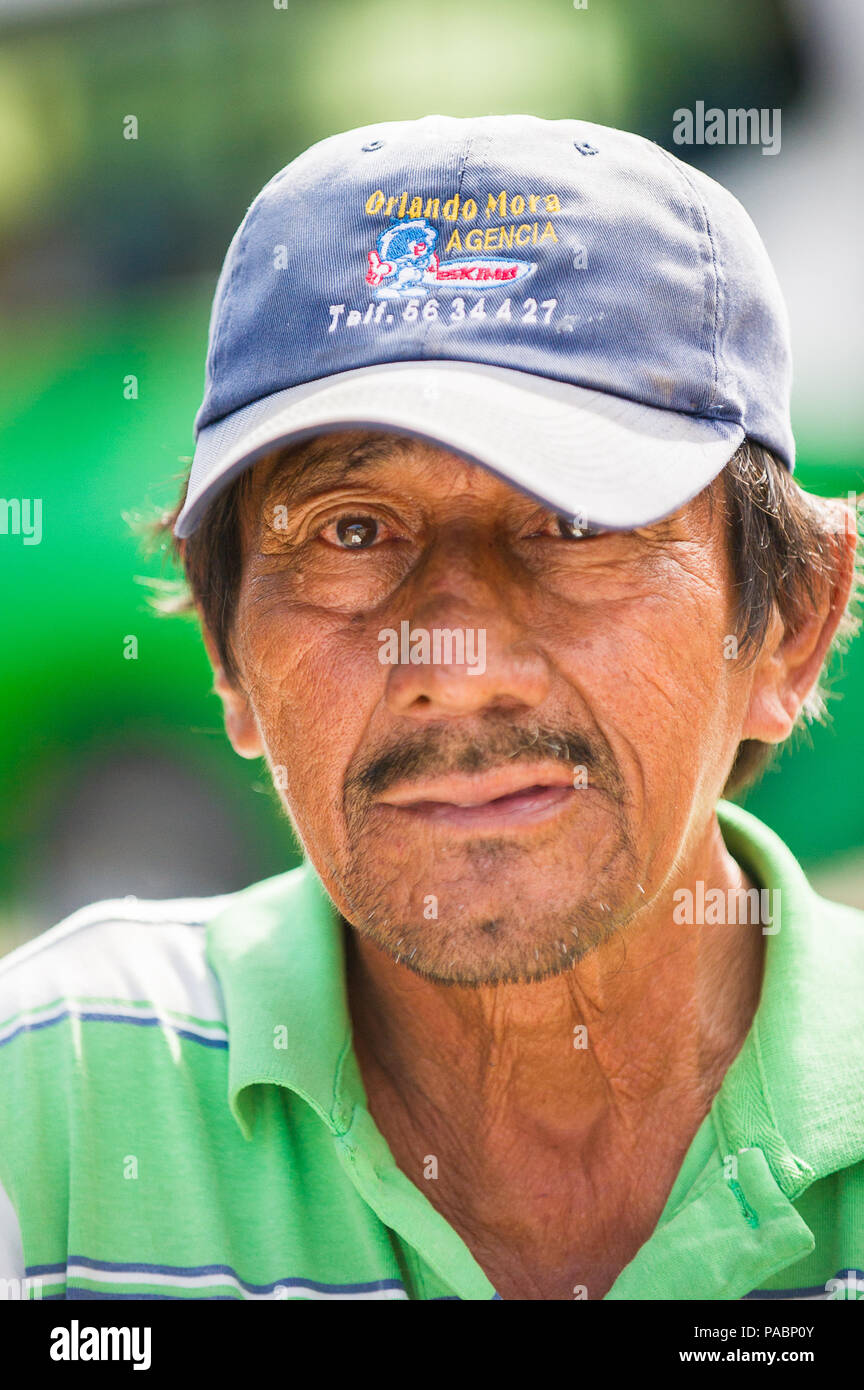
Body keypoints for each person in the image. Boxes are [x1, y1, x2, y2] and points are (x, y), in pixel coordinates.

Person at [1, 114, 863, 1302]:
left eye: (577, 526)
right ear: (227, 654)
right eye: (353, 531)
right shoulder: (51, 1103)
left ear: (792, 622)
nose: (457, 663)